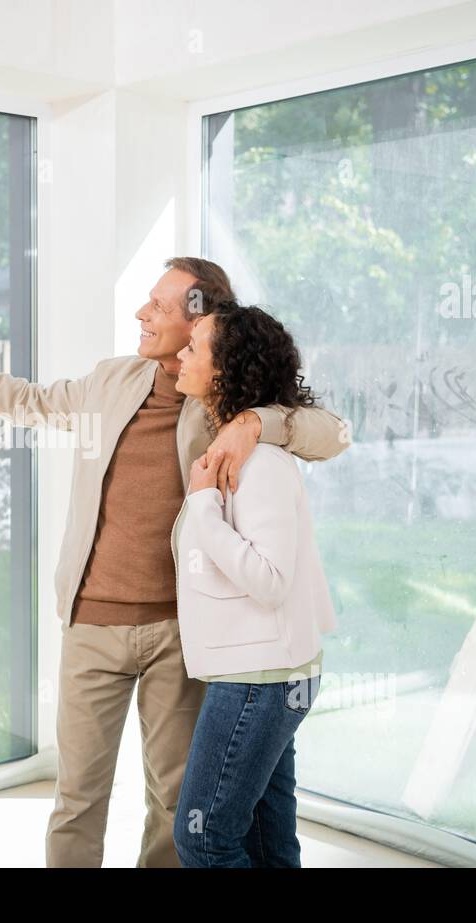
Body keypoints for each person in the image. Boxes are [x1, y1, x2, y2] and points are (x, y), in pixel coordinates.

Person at [0, 257, 349, 867]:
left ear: (201, 320)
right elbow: (29, 402)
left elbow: (332, 433)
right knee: (76, 796)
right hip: (91, 624)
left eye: (157, 305)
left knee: (175, 799)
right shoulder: (110, 381)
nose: (141, 314)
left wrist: (258, 422)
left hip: (178, 633)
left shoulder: (222, 406)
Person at [169, 303, 337, 867]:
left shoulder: (259, 462)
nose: (179, 354)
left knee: (204, 837)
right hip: (266, 674)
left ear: (225, 369)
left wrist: (202, 507)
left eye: (193, 348)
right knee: (267, 841)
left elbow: (269, 581)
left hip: (259, 680)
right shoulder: (236, 450)